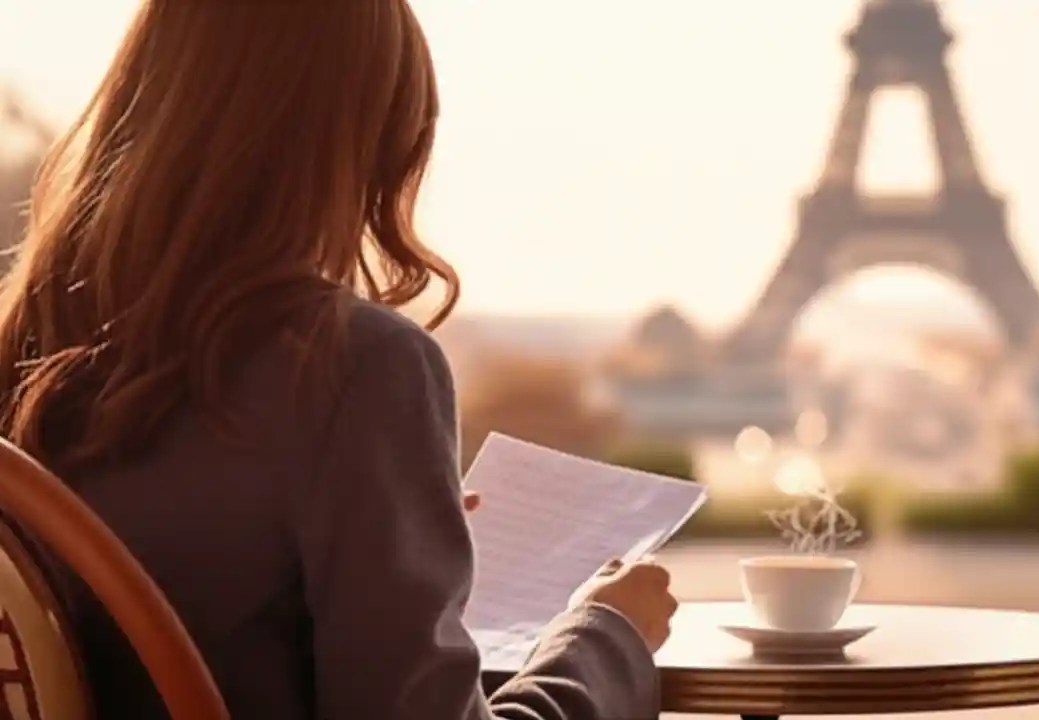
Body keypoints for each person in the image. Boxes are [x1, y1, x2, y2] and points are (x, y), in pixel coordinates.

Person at [0, 2, 676, 718]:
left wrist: (401, 542)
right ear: (365, 150)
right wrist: (606, 638)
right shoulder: (352, 368)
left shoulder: (24, 350)